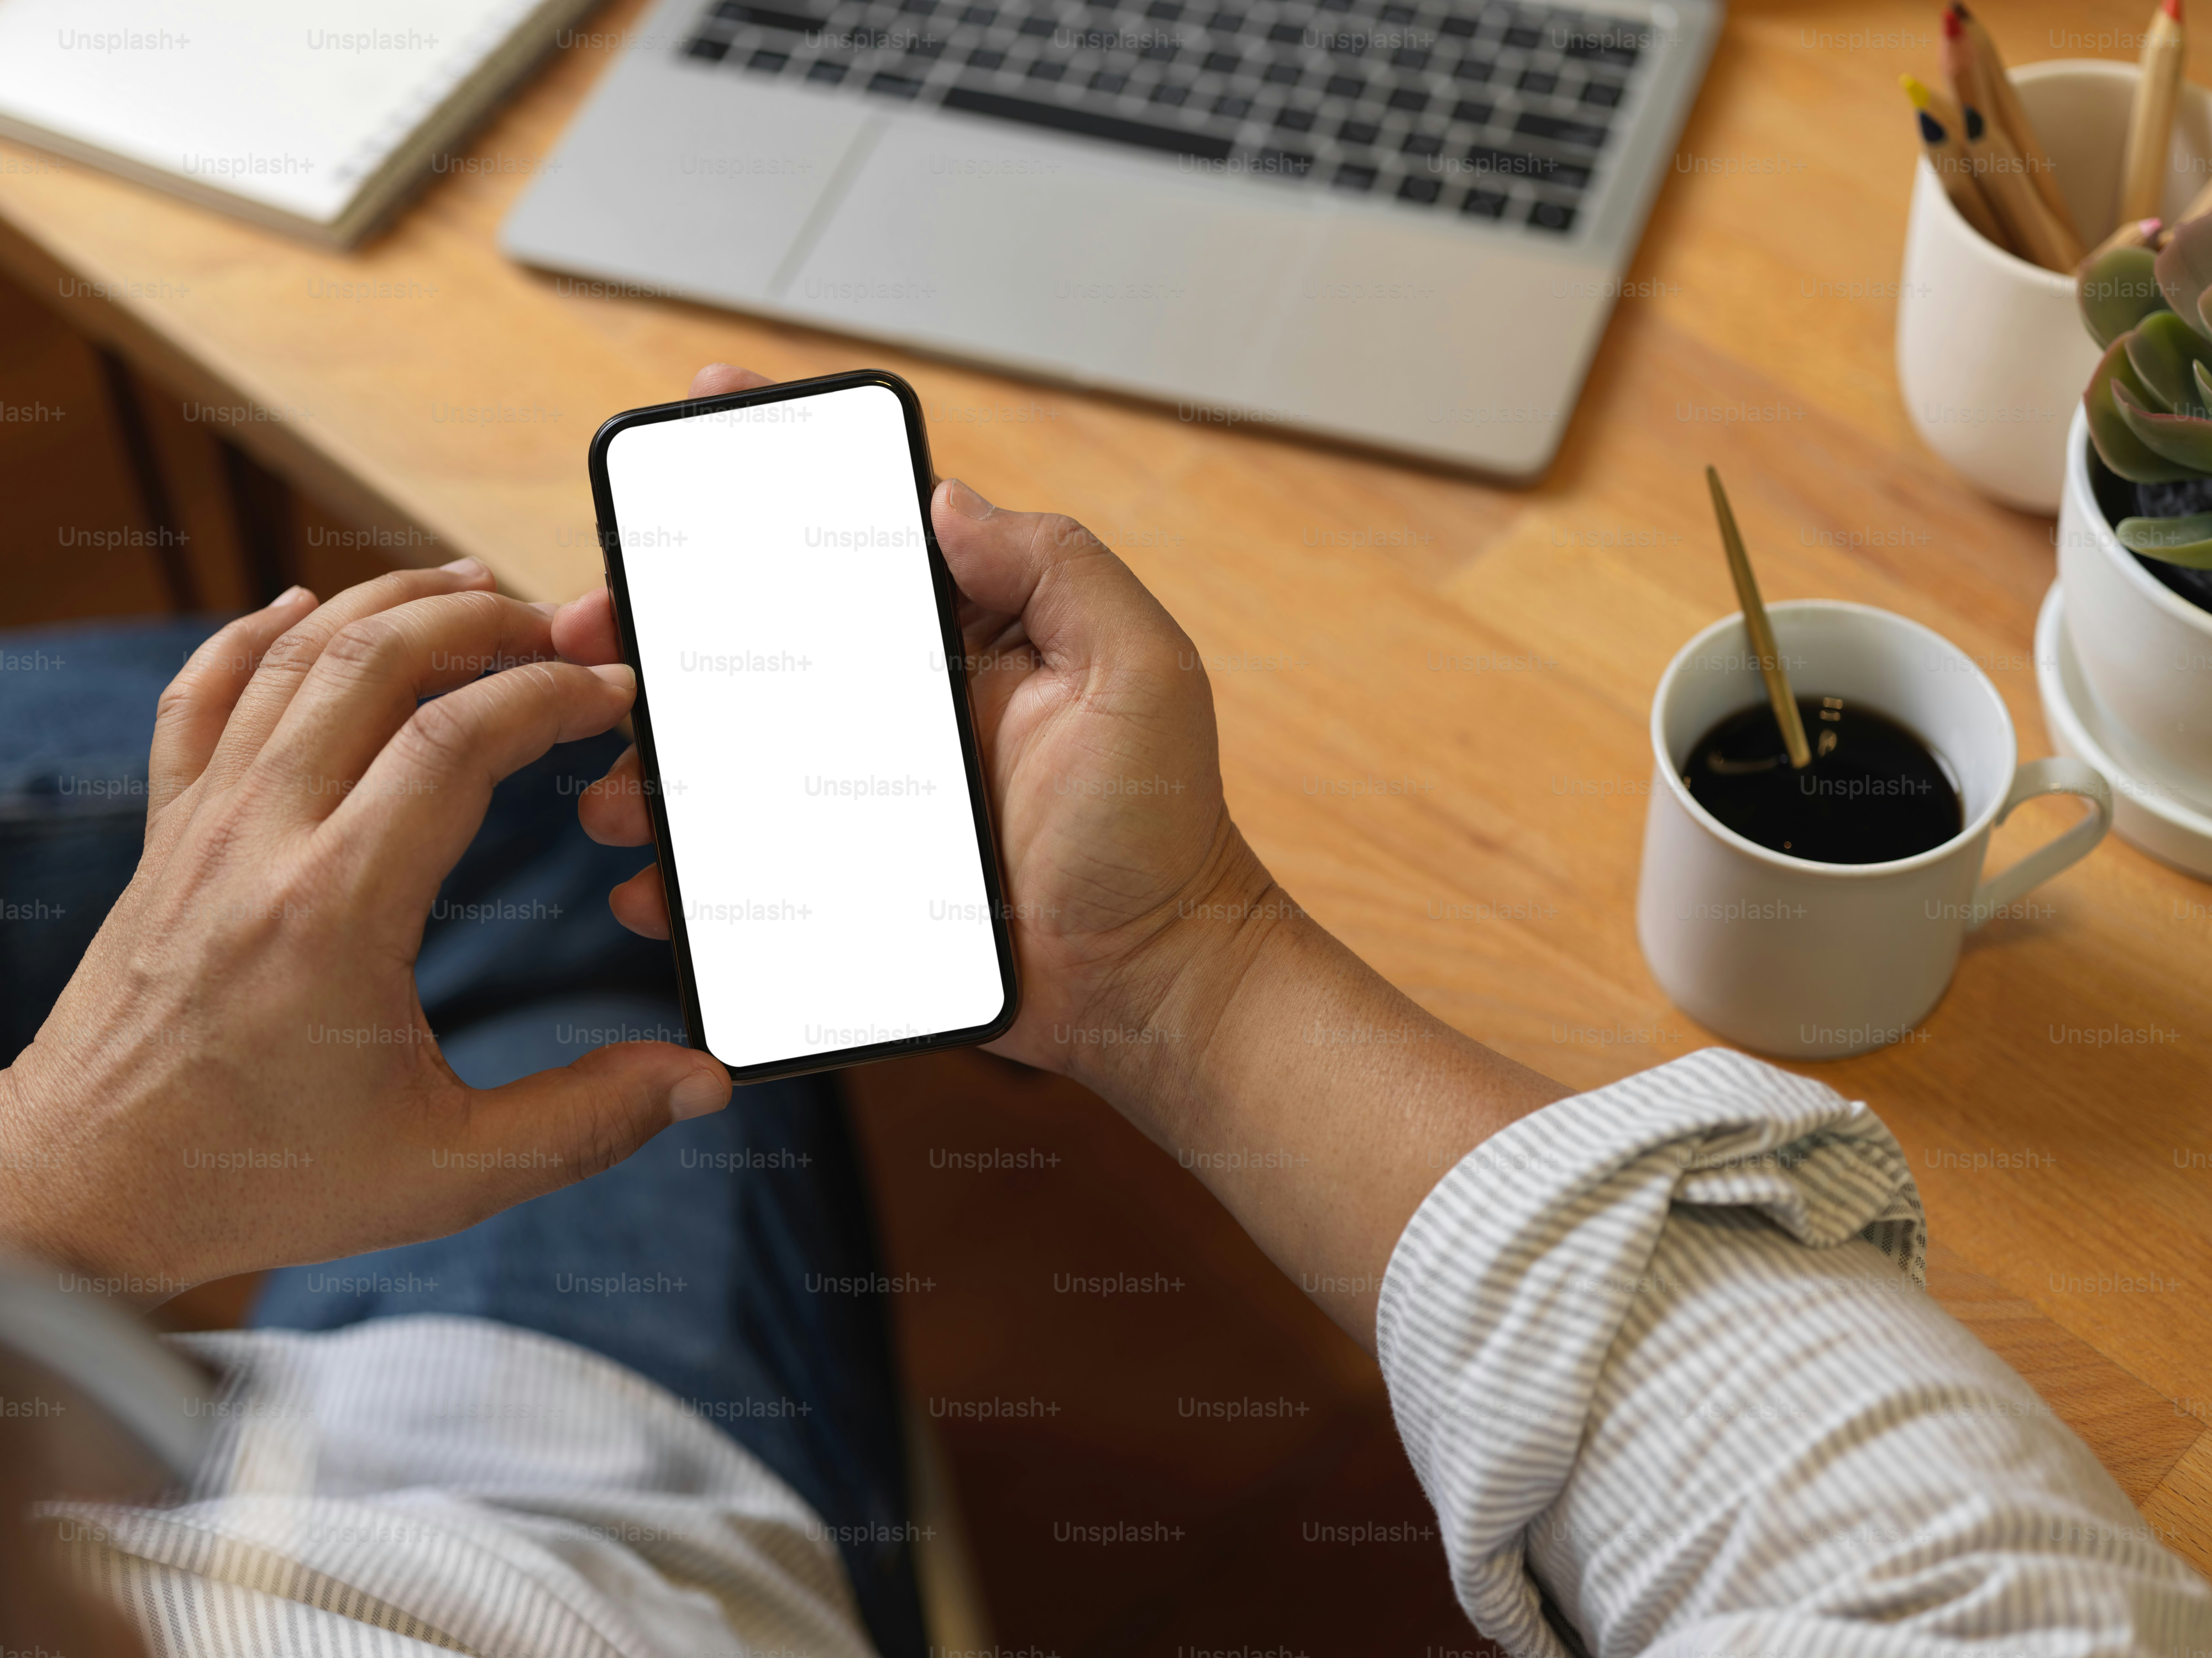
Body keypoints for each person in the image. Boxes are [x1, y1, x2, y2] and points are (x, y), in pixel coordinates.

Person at [0, 363, 2204, 1658]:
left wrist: (69, 1186)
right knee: (585, 873)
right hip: (549, 1514)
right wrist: (1178, 975)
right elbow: (1972, 1604)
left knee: (493, 772)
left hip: (203, 1397)